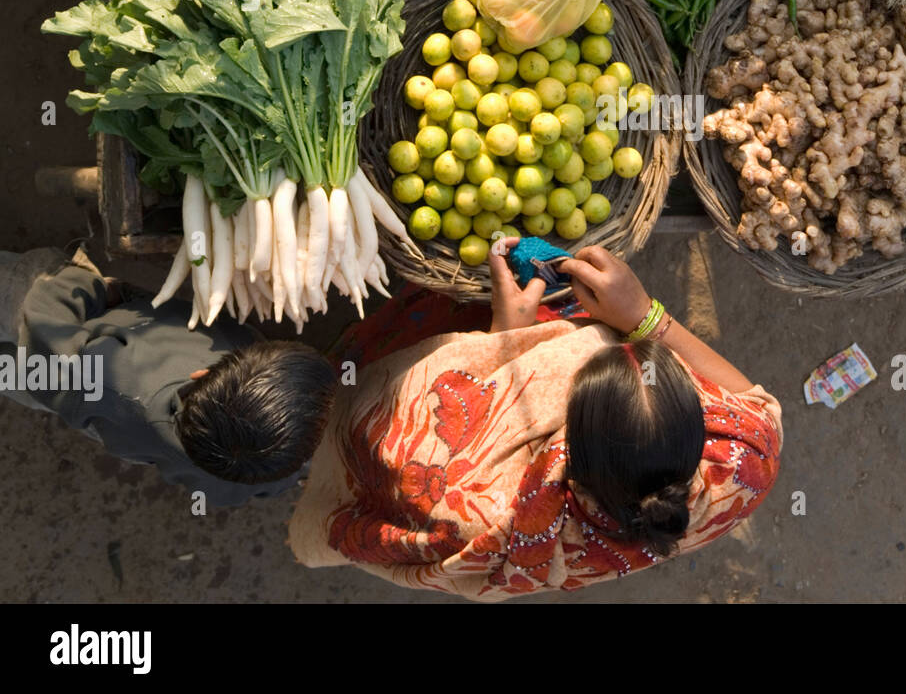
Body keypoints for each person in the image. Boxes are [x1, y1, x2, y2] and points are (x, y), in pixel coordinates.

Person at [288, 240, 782, 597]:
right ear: (699, 421)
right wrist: (641, 314)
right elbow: (751, 399)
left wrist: (503, 341)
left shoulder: (472, 510)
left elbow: (377, 450)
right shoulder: (744, 462)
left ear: (562, 440)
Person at [0, 247, 337, 507]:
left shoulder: (113, 379)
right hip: (93, 383)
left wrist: (80, 284)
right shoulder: (257, 475)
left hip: (54, 361)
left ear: (200, 373)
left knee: (23, 303)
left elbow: (46, 347)